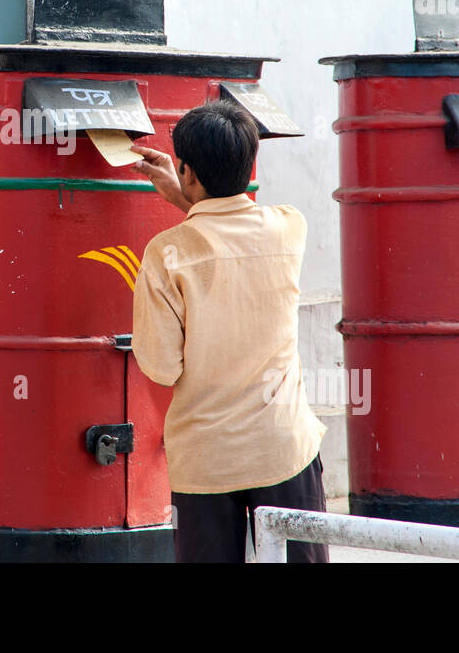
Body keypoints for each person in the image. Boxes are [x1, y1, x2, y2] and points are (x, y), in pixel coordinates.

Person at [130, 100, 328, 563]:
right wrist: (189, 192)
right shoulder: (289, 227)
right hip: (284, 448)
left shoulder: (164, 254)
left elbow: (160, 368)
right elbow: (233, 225)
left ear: (188, 172)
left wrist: (186, 196)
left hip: (205, 462)